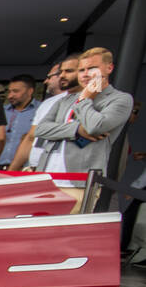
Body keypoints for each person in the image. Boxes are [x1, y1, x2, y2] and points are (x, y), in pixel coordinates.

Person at [33, 47, 134, 208]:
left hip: (79, 183)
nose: (85, 74)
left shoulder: (120, 99)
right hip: (45, 178)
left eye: (92, 68)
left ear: (109, 68)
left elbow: (96, 127)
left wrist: (85, 99)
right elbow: (41, 129)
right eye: (81, 70)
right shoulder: (65, 100)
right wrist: (76, 130)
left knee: (69, 232)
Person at [9, 58, 79, 172]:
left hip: (65, 173)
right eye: (61, 72)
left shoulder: (88, 100)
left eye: (50, 76)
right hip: (35, 169)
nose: (46, 81)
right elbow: (32, 137)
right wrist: (11, 173)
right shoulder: (47, 104)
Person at [0, 74, 37, 168]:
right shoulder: (1, 111)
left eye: (15, 91)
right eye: (9, 91)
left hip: (25, 167)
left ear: (30, 91)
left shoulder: (41, 110)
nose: (10, 96)